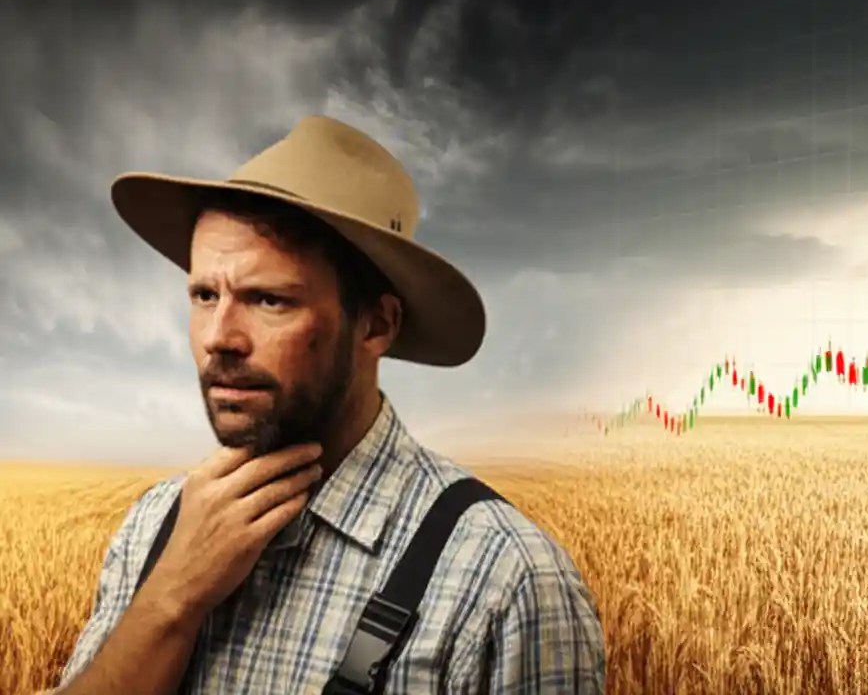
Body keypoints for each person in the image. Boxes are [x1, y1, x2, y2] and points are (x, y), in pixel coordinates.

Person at [52, 115, 607, 693]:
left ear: (376, 325)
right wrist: (170, 600)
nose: (219, 337)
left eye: (269, 299)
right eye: (205, 295)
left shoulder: (503, 579)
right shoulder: (156, 526)